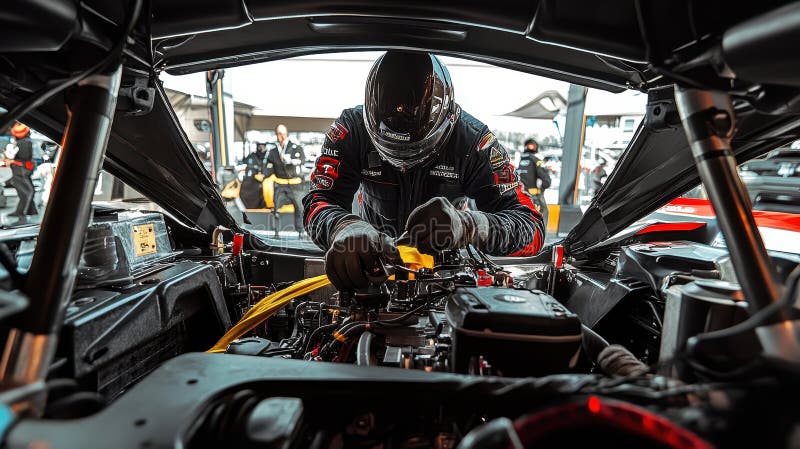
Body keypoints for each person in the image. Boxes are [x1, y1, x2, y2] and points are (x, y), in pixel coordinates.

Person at [303, 51, 544, 291]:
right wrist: (343, 227)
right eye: (392, 152)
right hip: (371, 269)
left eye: (413, 151)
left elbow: (532, 229)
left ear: (447, 121)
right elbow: (318, 201)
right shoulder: (350, 130)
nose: (403, 164)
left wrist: (469, 226)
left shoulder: (475, 143)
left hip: (443, 279)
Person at [267, 124, 306, 234]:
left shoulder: (296, 148)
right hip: (280, 184)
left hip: (295, 184)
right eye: (279, 134)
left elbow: (302, 160)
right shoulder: (273, 151)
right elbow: (268, 167)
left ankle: (300, 232)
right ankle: (276, 232)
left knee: (299, 208)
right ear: (276, 135)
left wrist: (291, 160)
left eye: (283, 133)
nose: (282, 136)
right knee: (276, 208)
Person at [6, 123, 37, 224]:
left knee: (27, 192)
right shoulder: (25, 142)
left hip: (21, 171)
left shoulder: (23, 143)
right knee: (27, 192)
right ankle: (22, 213)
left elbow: (23, 159)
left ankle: (22, 214)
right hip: (21, 170)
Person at [517, 138, 551, 226]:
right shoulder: (537, 160)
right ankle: (540, 237)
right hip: (533, 196)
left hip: (518, 195)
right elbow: (546, 181)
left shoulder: (520, 160)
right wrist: (542, 189)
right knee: (544, 213)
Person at [240, 141, 270, 209]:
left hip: (266, 187)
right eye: (259, 146)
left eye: (263, 145)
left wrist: (265, 175)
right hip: (251, 188)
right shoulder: (251, 157)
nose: (261, 148)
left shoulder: (269, 157)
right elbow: (245, 168)